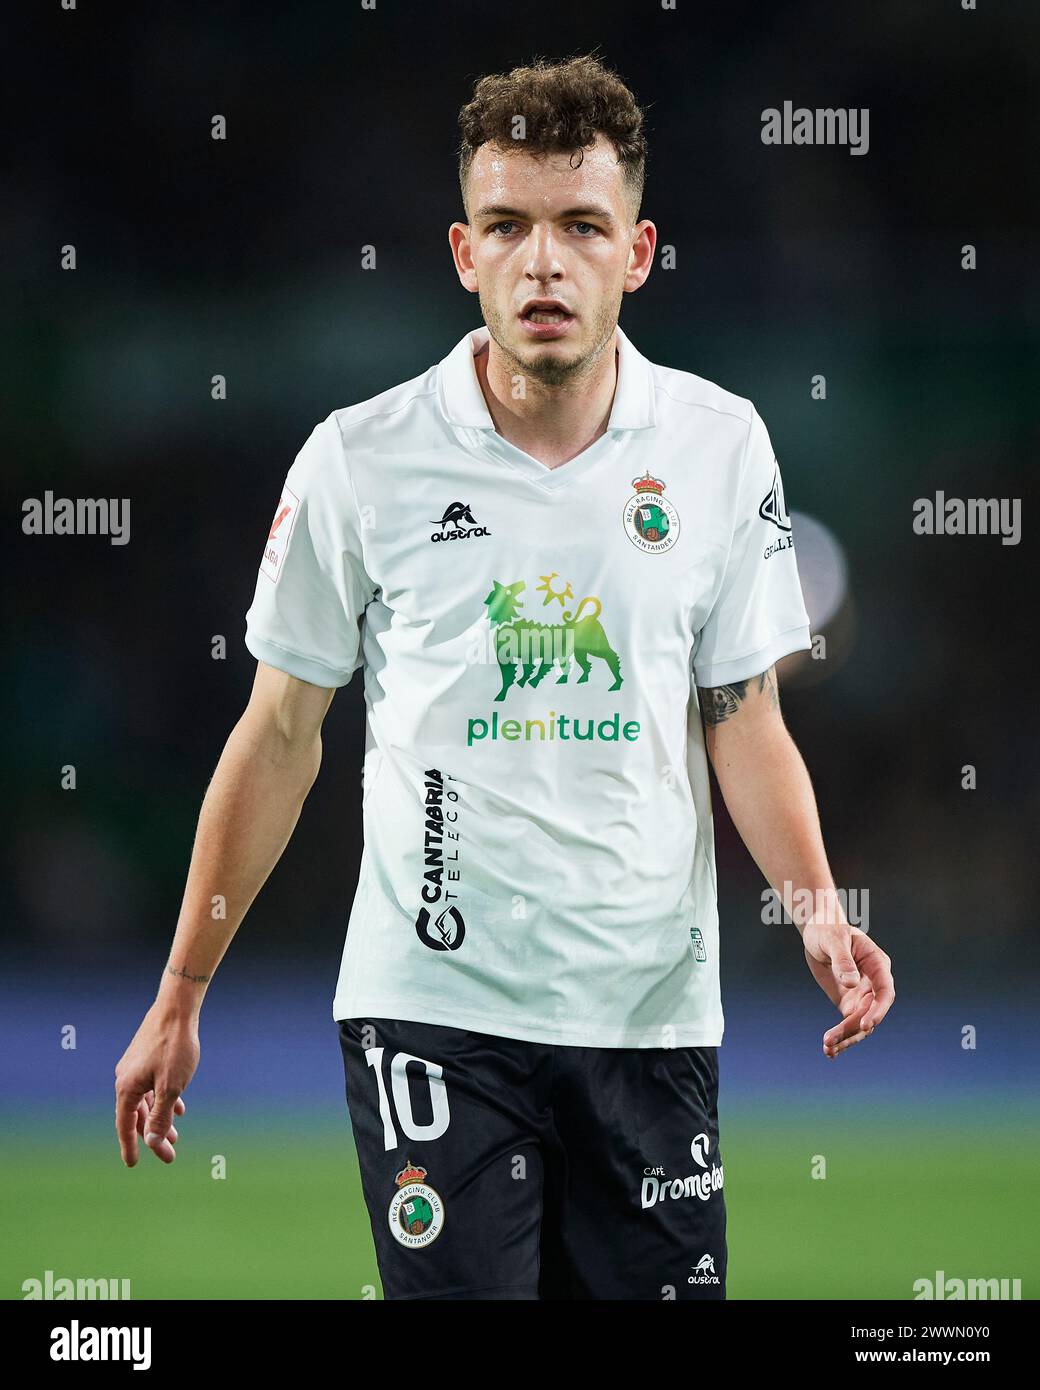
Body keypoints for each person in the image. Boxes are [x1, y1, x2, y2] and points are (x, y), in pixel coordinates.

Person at [114, 53, 895, 1301]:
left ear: (635, 252)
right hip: (431, 1007)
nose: (543, 262)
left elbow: (740, 713)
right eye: (507, 227)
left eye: (580, 226)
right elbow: (276, 733)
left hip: (648, 1018)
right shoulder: (358, 460)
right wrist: (179, 991)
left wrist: (813, 904)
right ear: (462, 252)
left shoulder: (718, 442)